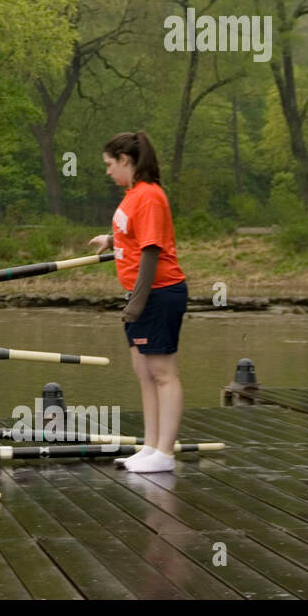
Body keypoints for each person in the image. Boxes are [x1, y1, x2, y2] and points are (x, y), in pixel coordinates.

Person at [87, 131, 188, 474]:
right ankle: (150, 446)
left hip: (158, 293)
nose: (107, 171)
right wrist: (110, 238)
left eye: (109, 164)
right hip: (140, 295)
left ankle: (165, 453)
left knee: (162, 373)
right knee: (144, 373)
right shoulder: (133, 196)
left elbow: (150, 251)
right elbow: (134, 234)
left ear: (125, 160)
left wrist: (138, 303)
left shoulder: (149, 196)